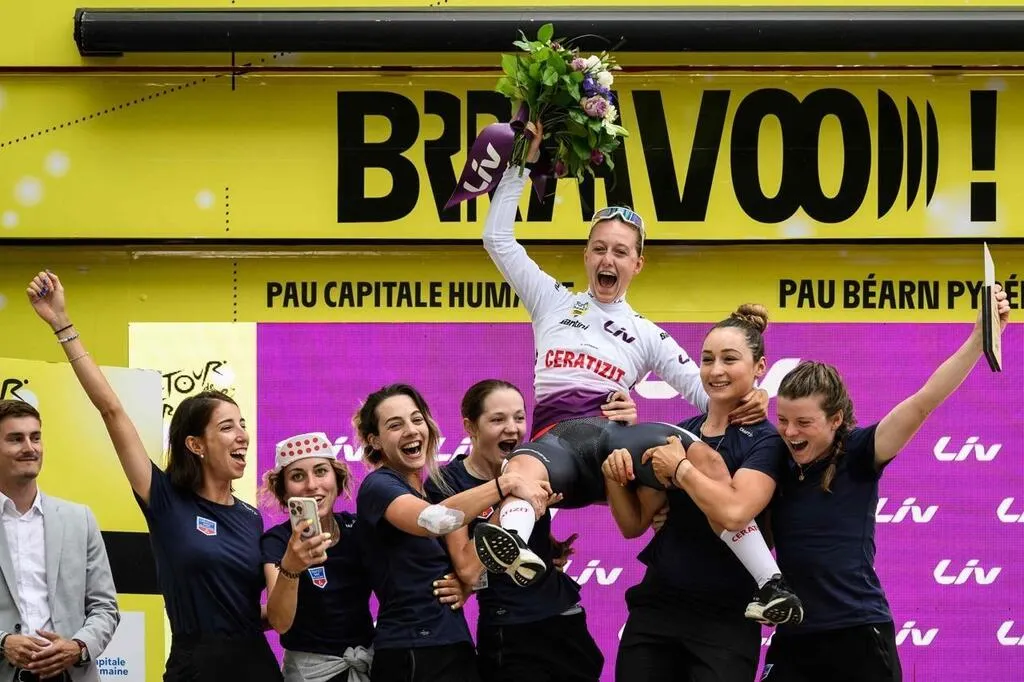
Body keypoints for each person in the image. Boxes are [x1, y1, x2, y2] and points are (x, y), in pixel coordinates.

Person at [472, 123, 797, 627]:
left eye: (620, 251)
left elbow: (707, 391)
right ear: (586, 255)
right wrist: (520, 161)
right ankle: (512, 545)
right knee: (521, 470)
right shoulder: (550, 301)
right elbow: (496, 238)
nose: (608, 259)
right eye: (600, 248)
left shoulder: (647, 334)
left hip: (612, 448)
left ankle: (771, 584)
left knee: (700, 456)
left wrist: (749, 399)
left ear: (637, 264)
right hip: (556, 449)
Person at [649, 286, 1011, 681]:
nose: (791, 432)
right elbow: (729, 500)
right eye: (783, 420)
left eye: (804, 423)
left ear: (835, 420)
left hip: (857, 632)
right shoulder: (774, 456)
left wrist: (978, 339)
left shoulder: (859, 453)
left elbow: (924, 401)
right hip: (794, 636)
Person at [25, 270, 283, 682]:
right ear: (195, 444)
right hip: (194, 668)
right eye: (227, 427)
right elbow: (111, 410)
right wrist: (62, 324)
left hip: (257, 668)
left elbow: (253, 612)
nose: (243, 436)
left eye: (243, 424)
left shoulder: (251, 517)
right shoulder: (164, 498)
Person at [603, 305, 799, 682]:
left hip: (726, 617)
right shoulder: (679, 431)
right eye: (707, 359)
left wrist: (681, 469)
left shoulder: (767, 442)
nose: (715, 370)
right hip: (657, 609)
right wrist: (613, 474)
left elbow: (735, 513)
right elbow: (633, 524)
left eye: (730, 359)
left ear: (760, 367)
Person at [426, 380, 629, 682]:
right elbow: (468, 569)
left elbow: (605, 482)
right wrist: (507, 494)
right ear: (470, 426)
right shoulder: (448, 482)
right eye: (497, 419)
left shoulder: (535, 462)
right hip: (510, 631)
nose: (512, 428)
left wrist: (624, 429)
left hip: (564, 617)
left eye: (519, 418)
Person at [353, 383, 556, 682]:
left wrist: (466, 586)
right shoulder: (379, 485)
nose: (411, 430)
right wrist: (507, 484)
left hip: (452, 643)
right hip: (412, 648)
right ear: (375, 441)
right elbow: (435, 521)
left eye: (417, 419)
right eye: (395, 425)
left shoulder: (425, 491)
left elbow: (466, 566)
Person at [261, 430, 471, 682]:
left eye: (321, 471)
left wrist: (464, 585)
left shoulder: (357, 528)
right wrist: (292, 568)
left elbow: (412, 568)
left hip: (368, 664)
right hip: (310, 673)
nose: (312, 485)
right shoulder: (278, 541)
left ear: (337, 479)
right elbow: (280, 621)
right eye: (297, 476)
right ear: (284, 491)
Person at [0, 400, 120, 682]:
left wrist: (78, 647)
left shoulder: (80, 519)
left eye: (35, 437)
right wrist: (3, 642)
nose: (29, 448)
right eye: (15, 439)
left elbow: (105, 607)